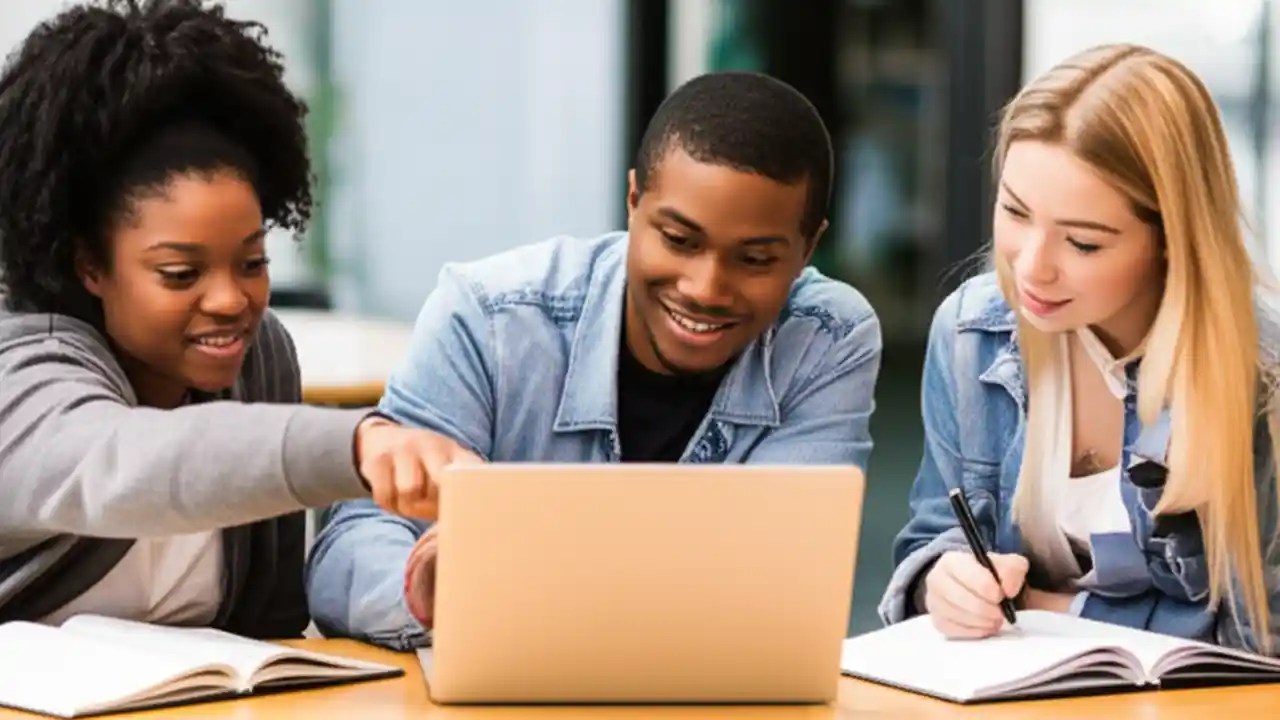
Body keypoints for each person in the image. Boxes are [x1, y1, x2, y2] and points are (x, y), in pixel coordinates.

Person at [305, 71, 883, 650]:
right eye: (679, 241)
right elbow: (349, 550)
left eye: (755, 259)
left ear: (809, 248)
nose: (706, 287)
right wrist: (431, 592)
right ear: (633, 202)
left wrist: (516, 582)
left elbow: (784, 584)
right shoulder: (490, 317)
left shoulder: (826, 338)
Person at [0, 0, 456, 638]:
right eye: (180, 274)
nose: (230, 301)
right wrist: (352, 444)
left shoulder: (261, 357)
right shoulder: (22, 373)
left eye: (251, 262)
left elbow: (268, 633)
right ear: (89, 265)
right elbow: (124, 464)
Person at [880, 43, 1280, 654]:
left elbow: (1258, 639)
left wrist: (1058, 610)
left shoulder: (1259, 371)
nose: (1032, 269)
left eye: (1084, 244)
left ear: (1171, 239)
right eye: (1014, 211)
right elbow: (935, 536)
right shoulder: (971, 333)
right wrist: (943, 584)